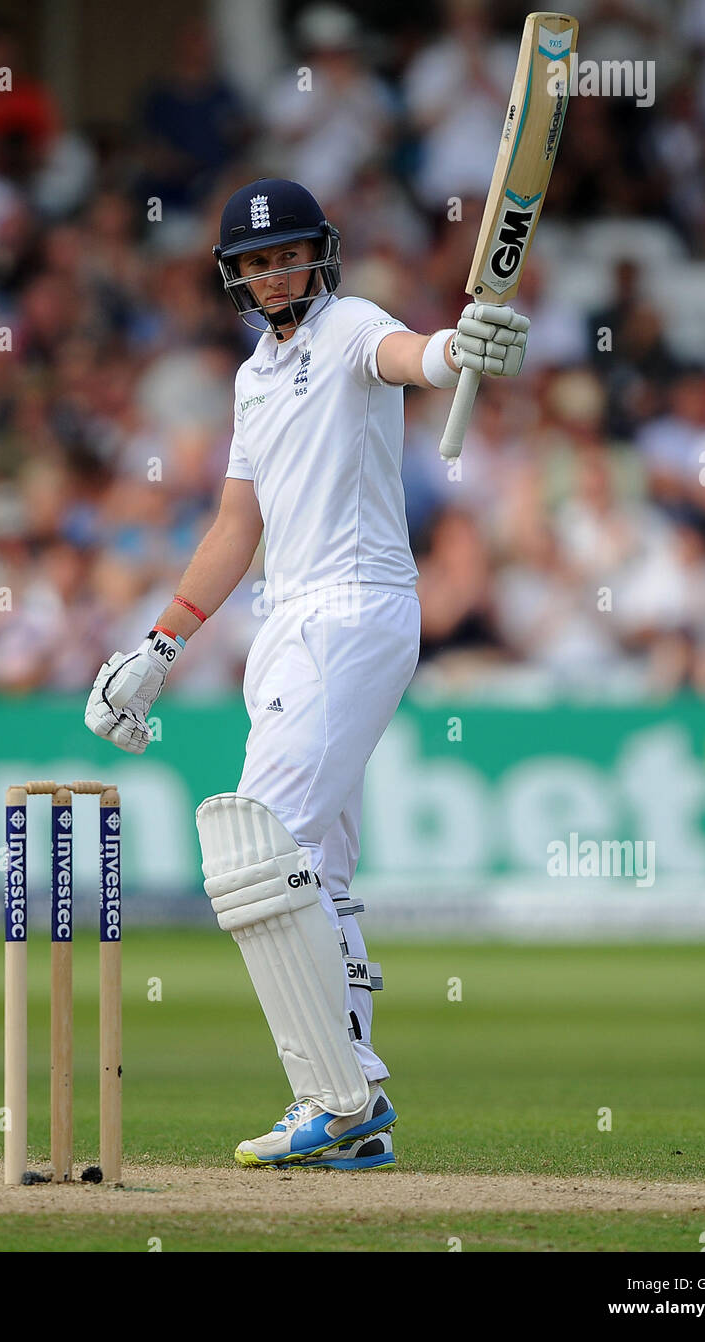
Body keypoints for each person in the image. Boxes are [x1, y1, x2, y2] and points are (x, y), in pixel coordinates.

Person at [85, 178, 530, 1169]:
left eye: (286, 253)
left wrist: (460, 347)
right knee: (312, 871)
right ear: (233, 276)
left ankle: (333, 1097)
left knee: (255, 851)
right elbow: (235, 525)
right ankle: (351, 1095)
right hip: (284, 621)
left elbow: (409, 354)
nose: (272, 270)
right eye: (254, 260)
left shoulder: (347, 328)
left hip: (353, 608)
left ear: (317, 255)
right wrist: (157, 648)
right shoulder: (251, 377)